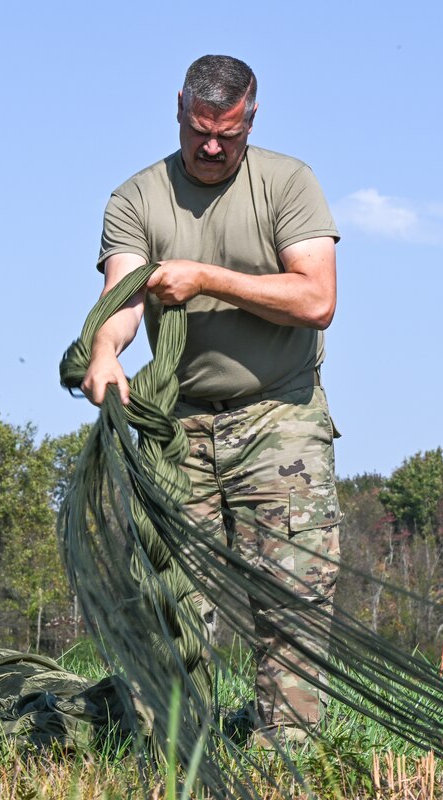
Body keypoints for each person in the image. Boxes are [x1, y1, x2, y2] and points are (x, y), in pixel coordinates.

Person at [81, 54, 341, 743]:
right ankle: (168, 745)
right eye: (199, 131)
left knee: (291, 593)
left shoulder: (290, 183)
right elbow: (122, 298)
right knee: (164, 592)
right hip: (178, 425)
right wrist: (107, 353)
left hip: (277, 415)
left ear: (251, 117)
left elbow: (317, 299)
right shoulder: (137, 198)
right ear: (178, 110)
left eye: (228, 133)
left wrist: (204, 278)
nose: (213, 147)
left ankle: (289, 749)